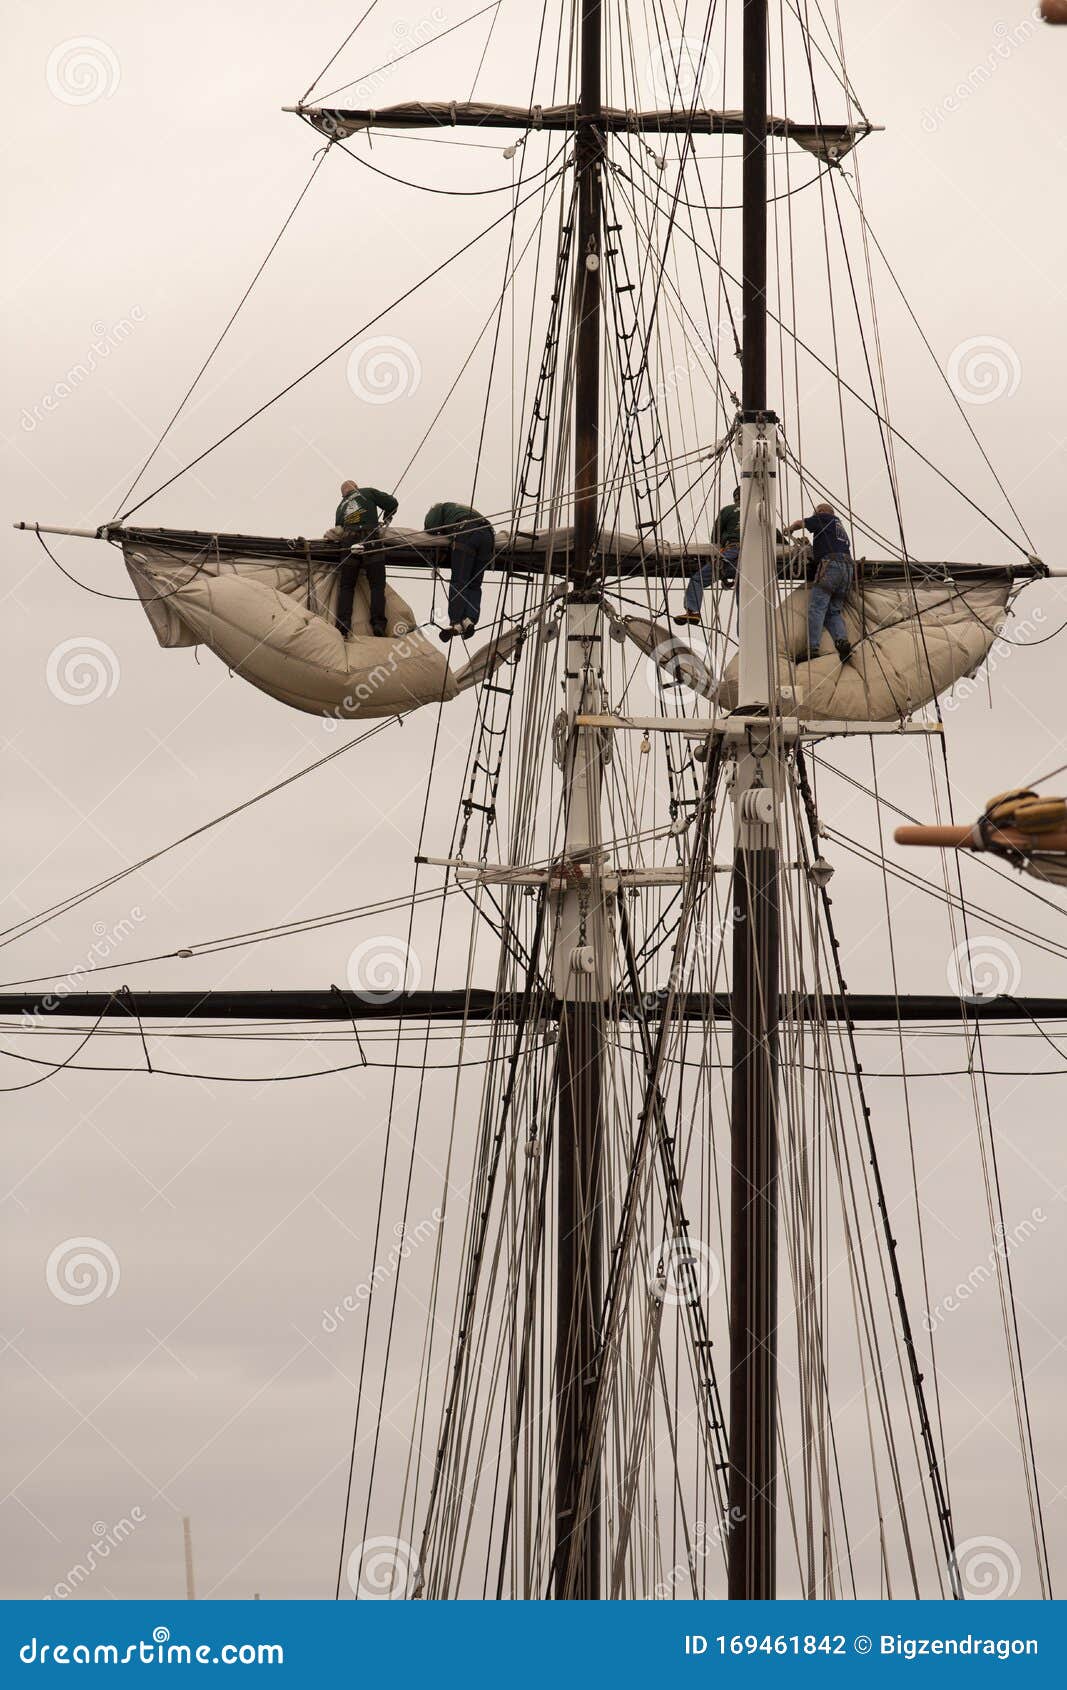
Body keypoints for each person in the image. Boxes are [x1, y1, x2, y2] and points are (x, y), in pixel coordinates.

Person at [784, 501, 854, 663]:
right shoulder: (839, 527)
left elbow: (800, 523)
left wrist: (789, 530)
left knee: (817, 607)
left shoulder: (824, 517)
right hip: (848, 569)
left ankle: (812, 649)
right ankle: (842, 641)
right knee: (833, 611)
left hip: (831, 566)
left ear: (821, 511)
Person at [333, 480, 398, 638]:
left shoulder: (341, 507)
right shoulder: (367, 492)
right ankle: (378, 624)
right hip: (371, 540)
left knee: (347, 586)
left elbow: (338, 530)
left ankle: (343, 625)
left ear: (343, 494)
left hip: (349, 543)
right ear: (356, 487)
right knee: (376, 585)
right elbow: (392, 503)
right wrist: (388, 517)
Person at [423, 500, 496, 640]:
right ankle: (469, 620)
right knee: (474, 584)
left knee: (459, 581)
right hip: (488, 536)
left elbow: (429, 528)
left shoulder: (438, 509)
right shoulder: (459, 509)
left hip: (466, 533)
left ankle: (456, 622)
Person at [674, 486, 741, 625]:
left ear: (735, 498)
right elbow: (776, 538)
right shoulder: (762, 511)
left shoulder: (728, 510)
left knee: (698, 580)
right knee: (745, 593)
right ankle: (750, 630)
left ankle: (693, 611)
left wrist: (720, 565)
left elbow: (715, 538)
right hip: (756, 558)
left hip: (732, 552)